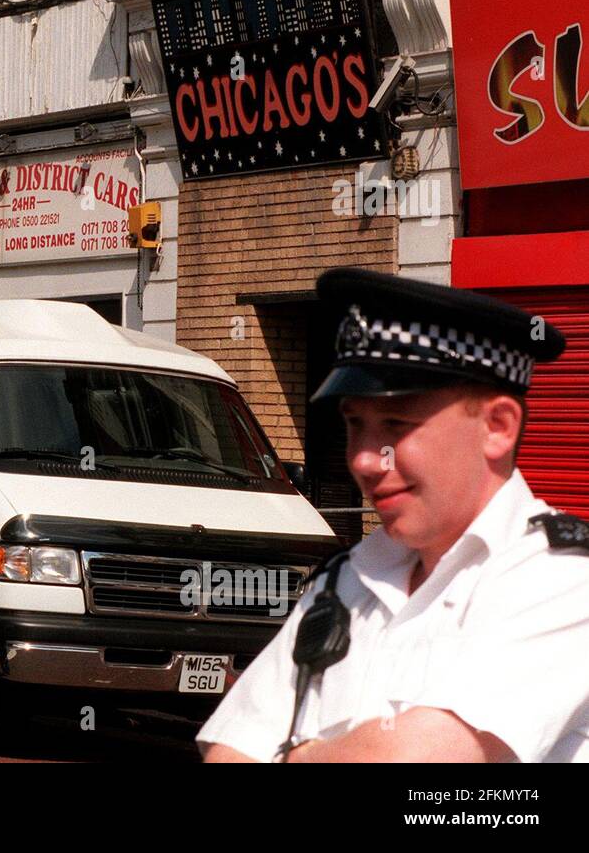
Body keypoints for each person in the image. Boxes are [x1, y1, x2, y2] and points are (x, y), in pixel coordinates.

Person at [198, 267, 589, 763]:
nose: (364, 458)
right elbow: (230, 751)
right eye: (354, 425)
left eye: (395, 425)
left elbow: (415, 758)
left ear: (497, 426)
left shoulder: (566, 579)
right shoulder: (343, 581)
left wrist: (293, 755)